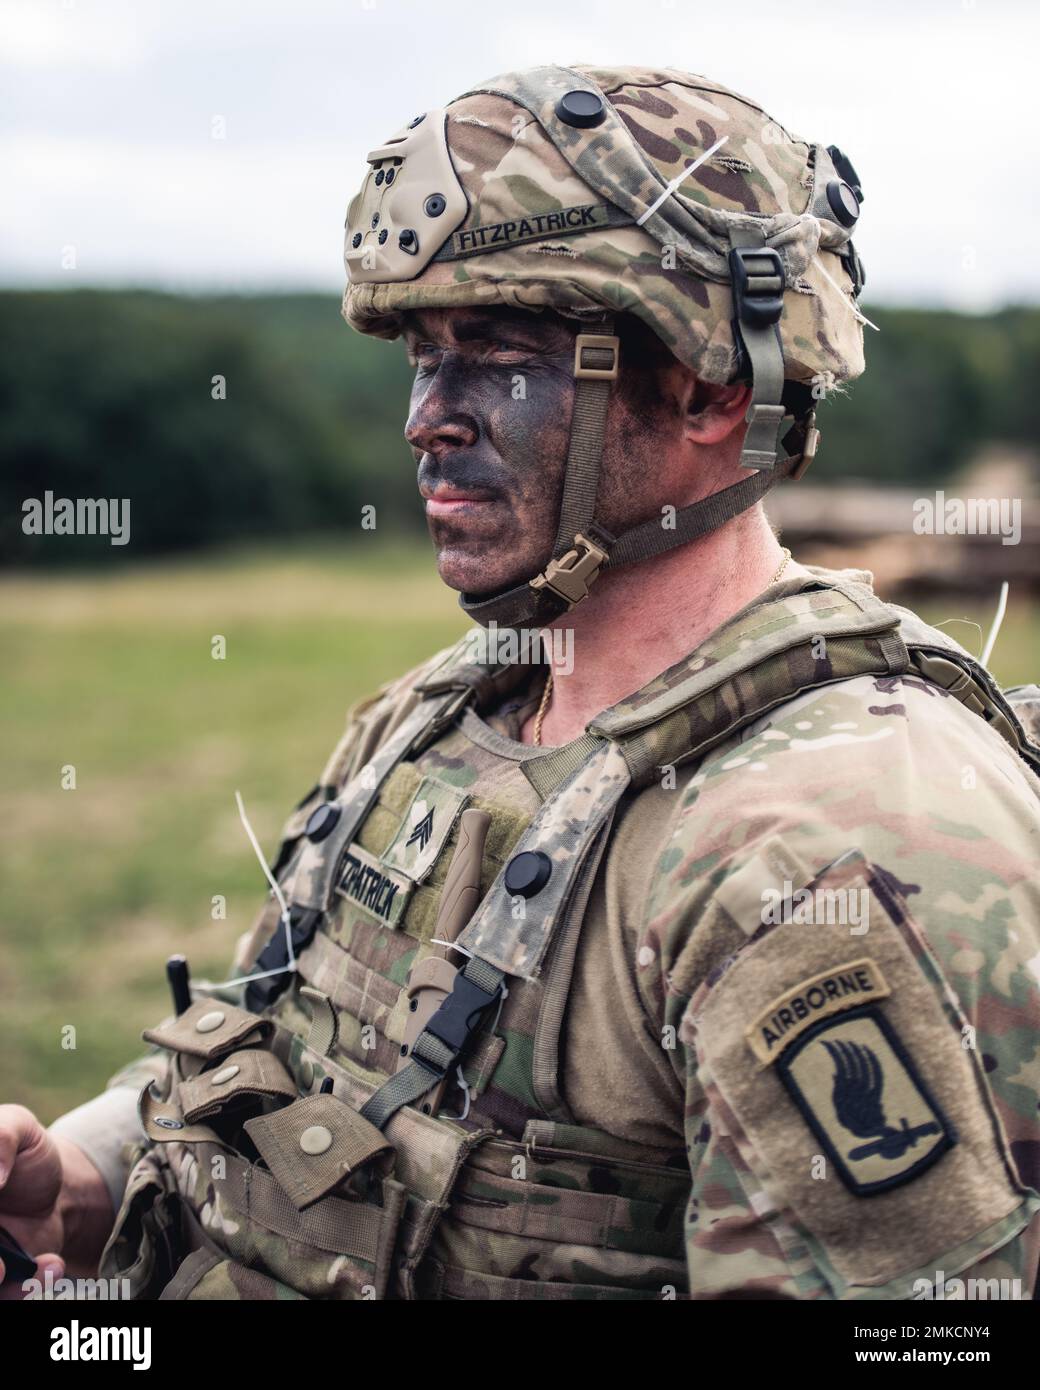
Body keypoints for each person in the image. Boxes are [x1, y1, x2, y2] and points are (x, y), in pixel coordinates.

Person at [3, 64, 1039, 1302]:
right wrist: (82, 1181)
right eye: (419, 357)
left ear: (712, 388)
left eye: (493, 358)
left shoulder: (823, 844)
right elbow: (280, 1051)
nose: (426, 419)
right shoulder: (444, 712)